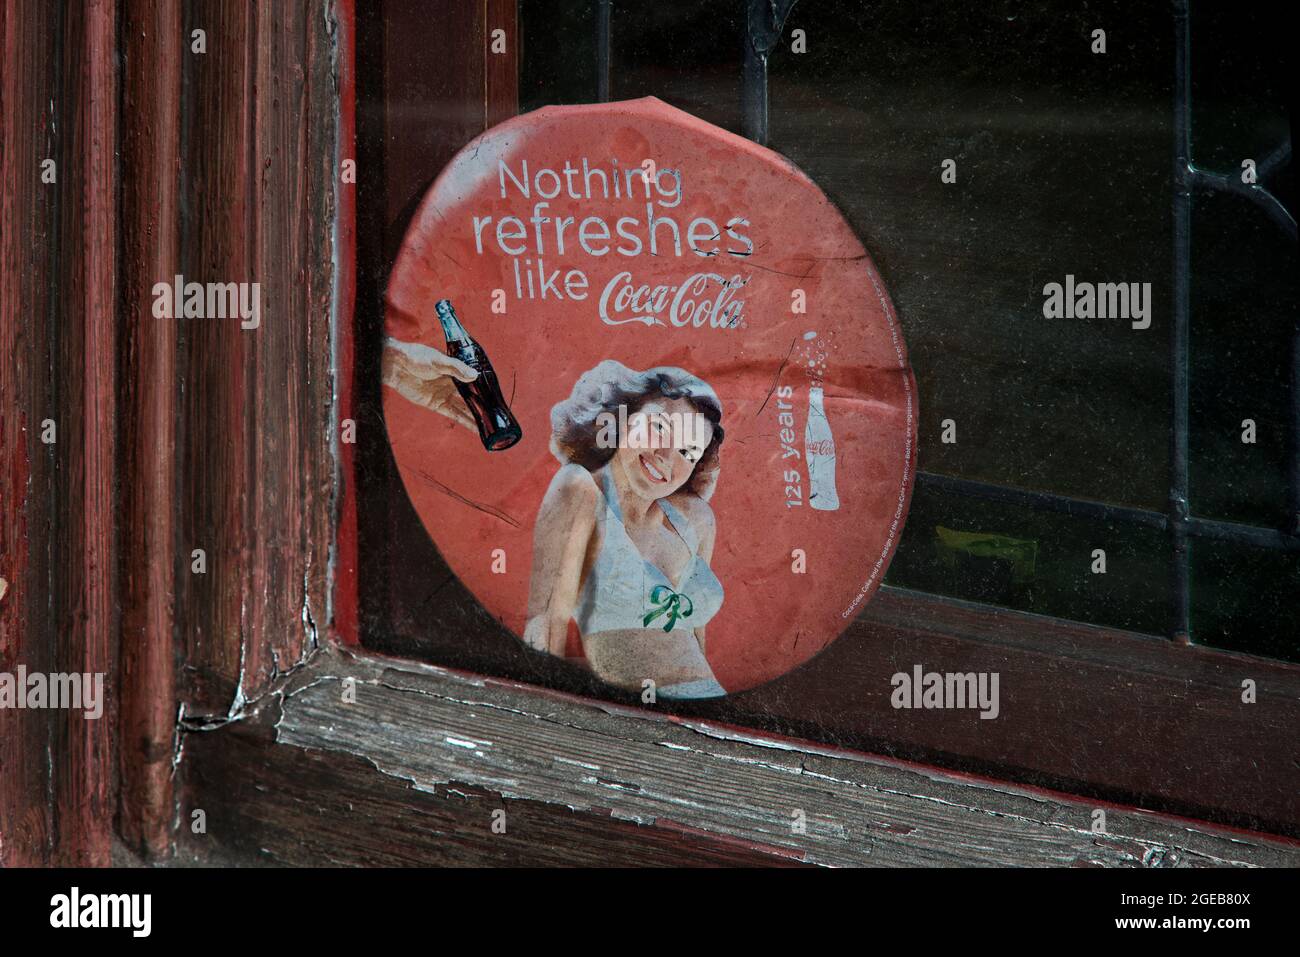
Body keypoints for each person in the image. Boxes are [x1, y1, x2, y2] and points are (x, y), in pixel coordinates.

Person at [525, 360, 726, 699]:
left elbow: (694, 637)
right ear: (621, 416)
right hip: (633, 721)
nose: (666, 456)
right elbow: (545, 625)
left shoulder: (696, 519)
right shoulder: (578, 488)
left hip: (707, 706)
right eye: (660, 428)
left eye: (688, 453)